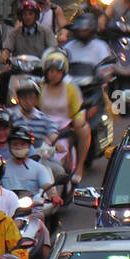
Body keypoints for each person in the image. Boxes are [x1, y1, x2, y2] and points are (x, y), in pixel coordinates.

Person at [38, 50, 90, 185]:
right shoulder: (40, 88)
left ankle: (79, 168)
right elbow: (33, 108)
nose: (53, 74)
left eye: (57, 71)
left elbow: (78, 110)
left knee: (85, 130)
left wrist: (79, 120)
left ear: (63, 72)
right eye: (51, 71)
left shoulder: (71, 89)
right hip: (42, 129)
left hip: (64, 130)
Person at [0, 0, 58, 107]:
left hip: (39, 69)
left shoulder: (46, 32)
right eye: (24, 14)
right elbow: (7, 49)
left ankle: (51, 104)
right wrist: (4, 57)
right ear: (21, 16)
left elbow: (53, 48)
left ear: (36, 16)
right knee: (4, 76)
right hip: (19, 69)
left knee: (53, 78)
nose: (27, 17)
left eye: (30, 14)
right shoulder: (14, 33)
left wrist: (51, 58)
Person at [2, 124, 59, 201]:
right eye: (15, 144)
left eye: (23, 144)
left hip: (33, 208)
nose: (19, 147)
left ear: (29, 146)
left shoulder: (39, 168)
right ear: (9, 146)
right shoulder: (2, 168)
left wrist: (53, 196)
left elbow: (47, 185)